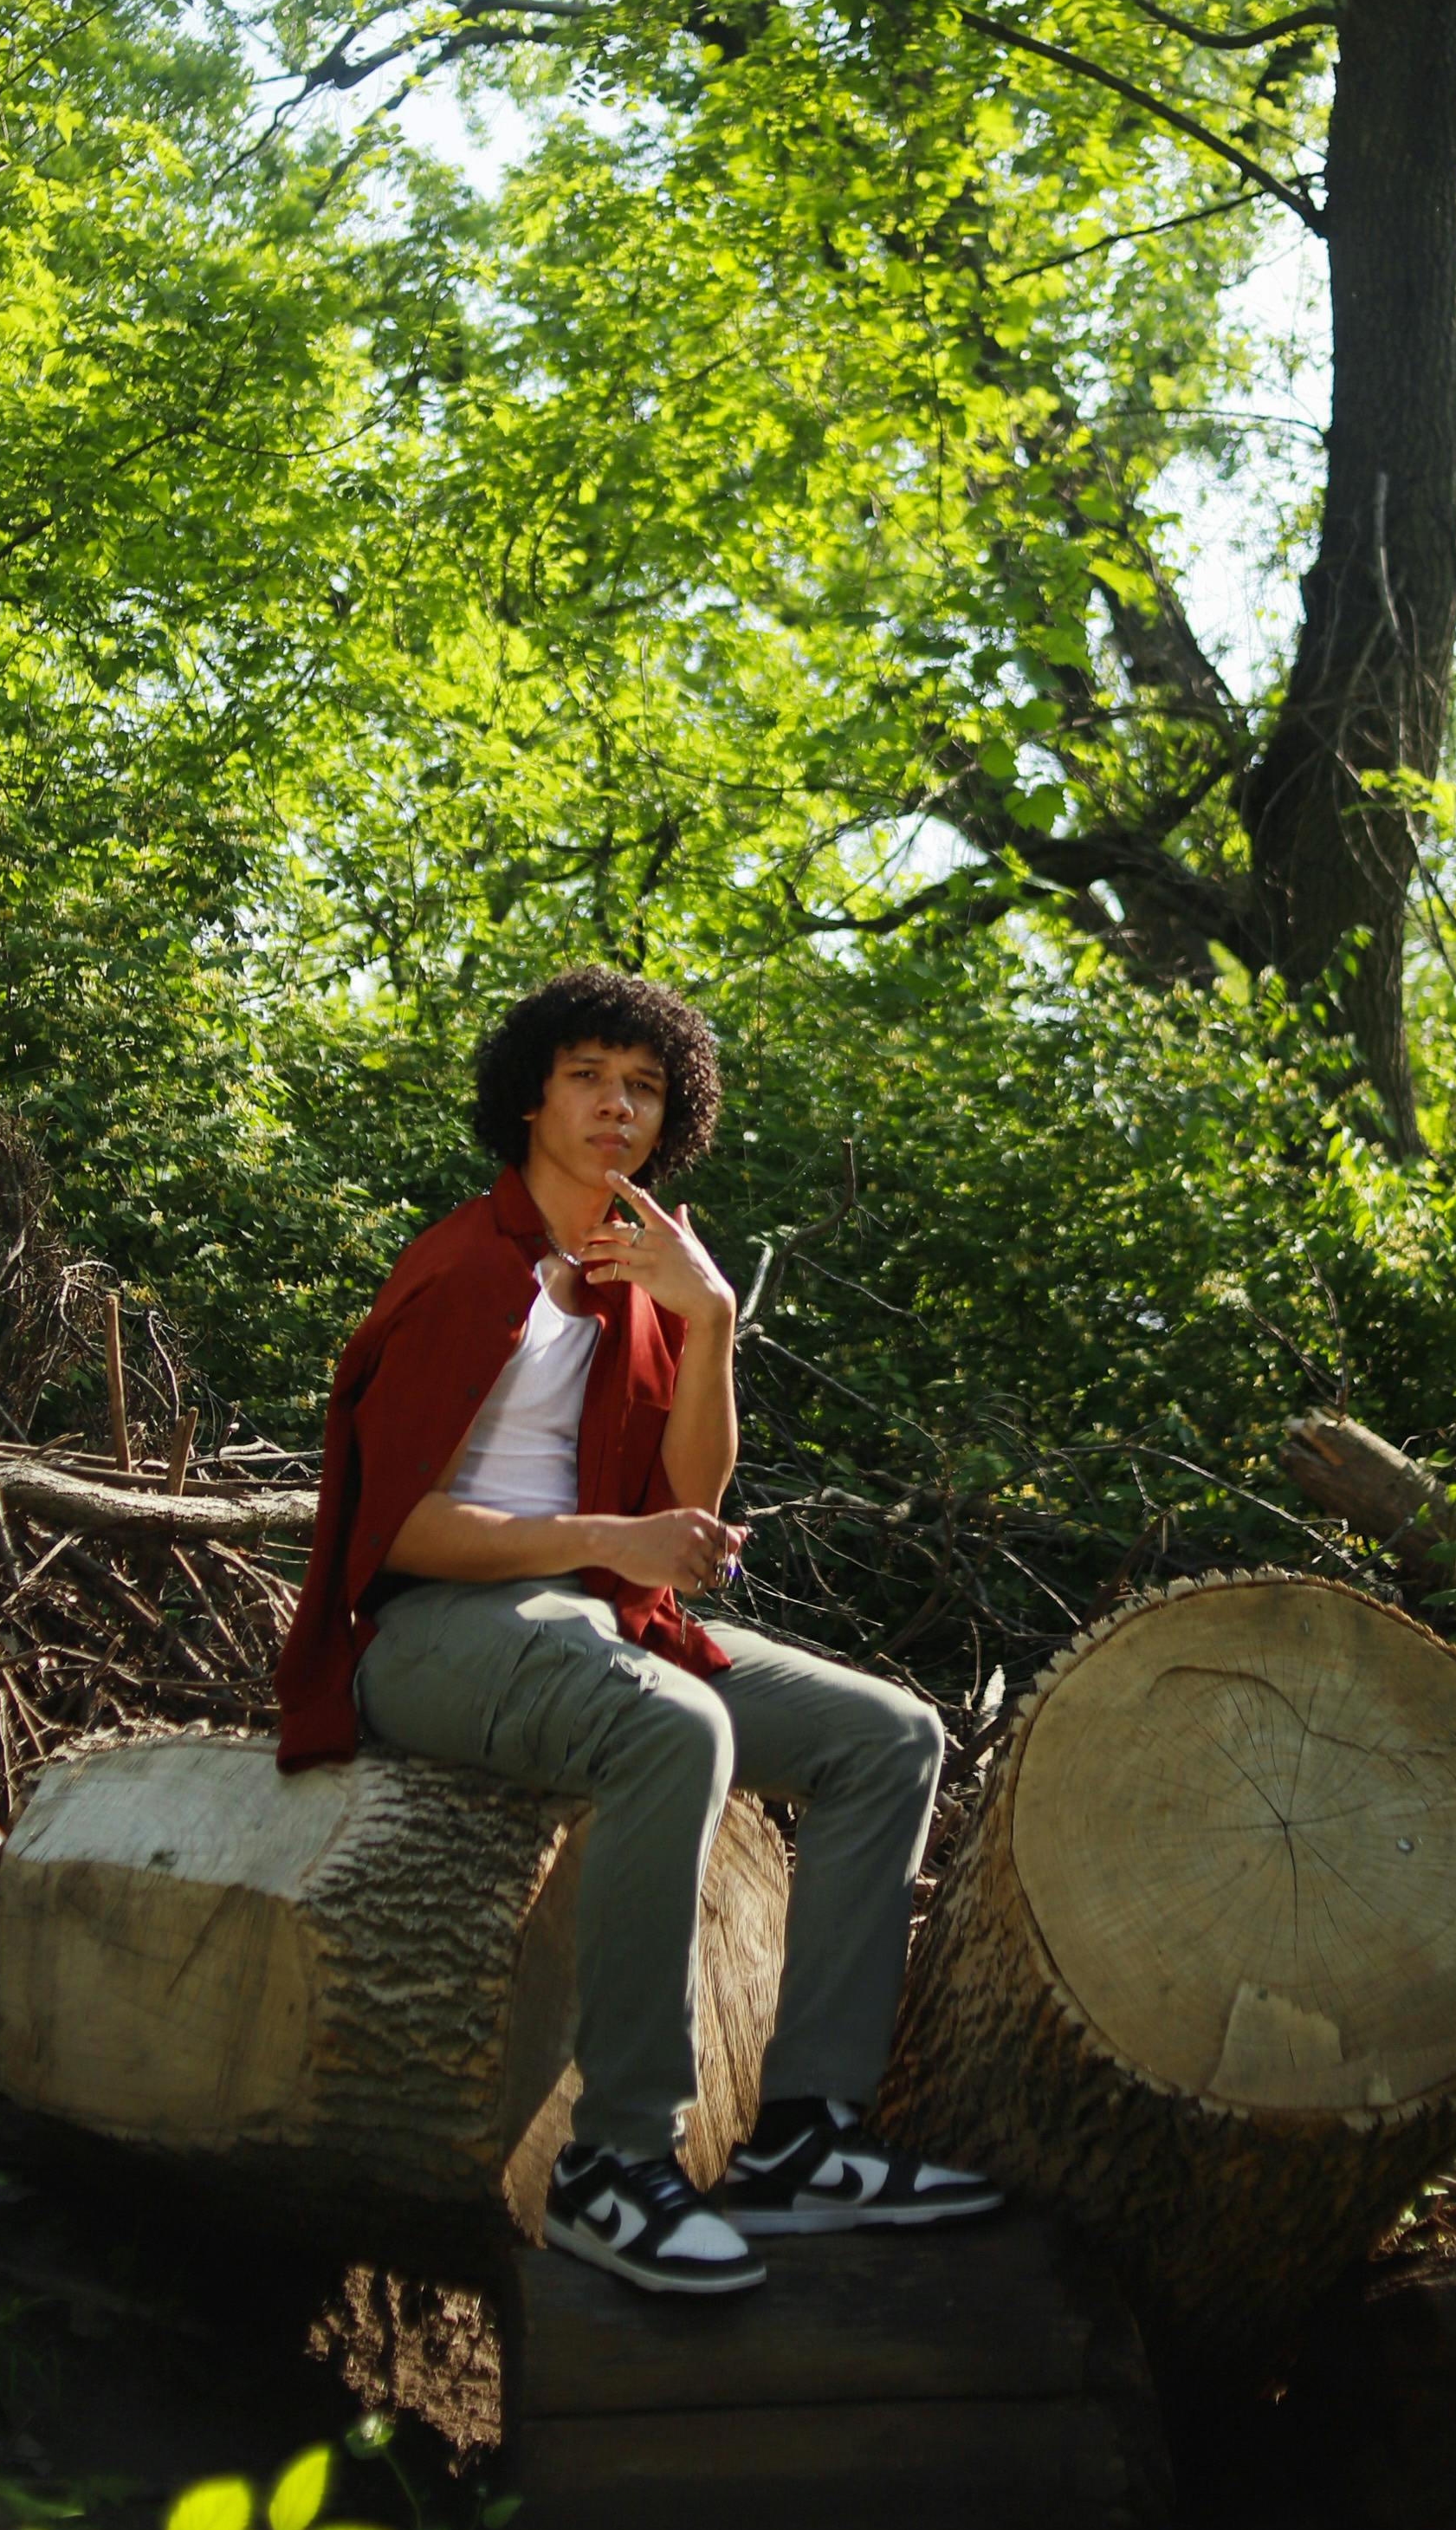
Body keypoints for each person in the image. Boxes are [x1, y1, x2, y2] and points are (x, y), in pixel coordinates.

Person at [275, 964, 1000, 2298]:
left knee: (885, 1735)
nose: (619, 1107)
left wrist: (711, 1319)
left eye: (646, 1088)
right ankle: (617, 2163)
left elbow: (691, 1508)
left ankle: (804, 2136)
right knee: (669, 1729)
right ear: (529, 1098)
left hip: (592, 1617)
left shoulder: (644, 1280)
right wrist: (609, 1544)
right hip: (433, 1635)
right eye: (590, 1079)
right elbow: (406, 1538)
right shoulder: (458, 1272)